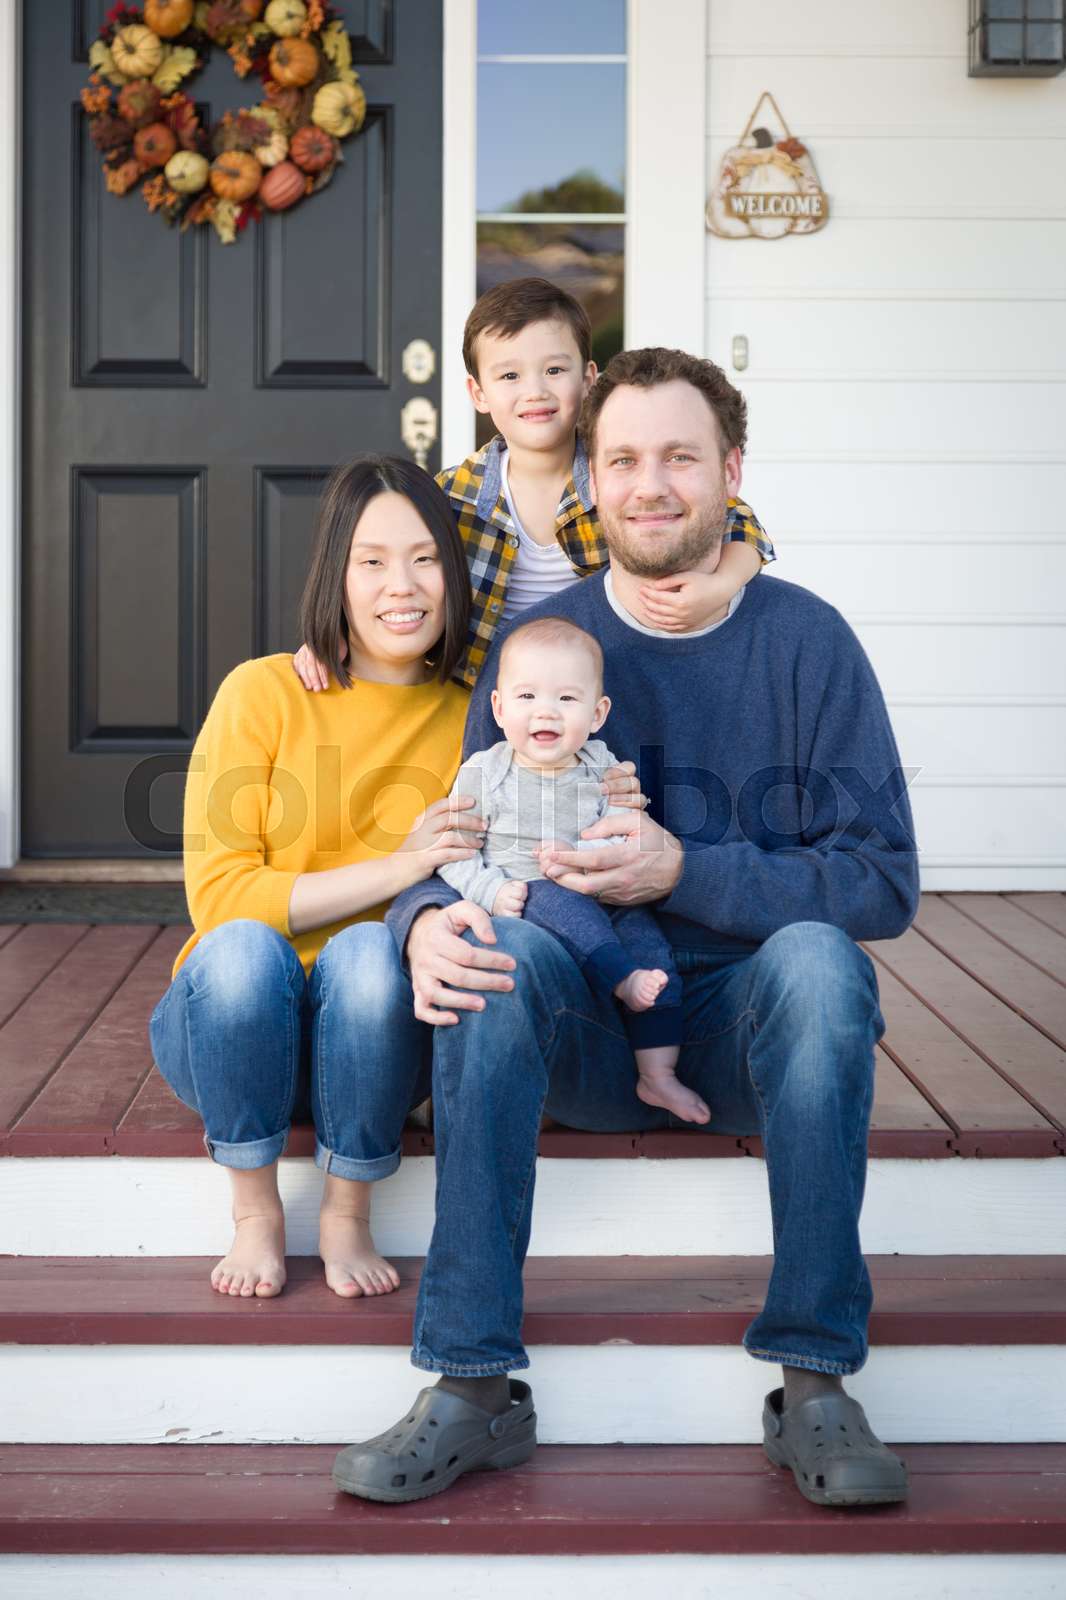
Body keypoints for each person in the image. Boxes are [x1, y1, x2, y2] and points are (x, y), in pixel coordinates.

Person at [331, 350, 920, 1511]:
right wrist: (414, 925)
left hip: (751, 1035)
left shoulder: (809, 641)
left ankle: (813, 1383)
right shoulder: (539, 647)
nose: (650, 484)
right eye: (624, 460)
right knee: (489, 948)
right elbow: (463, 835)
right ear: (591, 485)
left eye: (679, 457)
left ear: (730, 472)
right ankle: (471, 1385)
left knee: (817, 959)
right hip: (584, 1035)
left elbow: (882, 882)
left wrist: (682, 869)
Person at [149, 456, 480, 1302]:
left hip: (375, 1041)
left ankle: (346, 1211)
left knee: (372, 954)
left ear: (454, 569)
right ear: (335, 575)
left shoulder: (474, 720)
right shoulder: (262, 692)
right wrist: (402, 862)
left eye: (423, 557)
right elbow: (220, 898)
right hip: (232, 1033)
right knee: (243, 952)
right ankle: (256, 1212)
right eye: (370, 561)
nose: (400, 586)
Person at [293, 276, 775, 693]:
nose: (535, 391)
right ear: (478, 393)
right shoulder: (452, 494)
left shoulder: (619, 479)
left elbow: (741, 524)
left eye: (554, 370)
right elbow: (388, 567)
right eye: (509, 375)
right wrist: (335, 635)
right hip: (489, 694)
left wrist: (721, 585)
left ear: (589, 378)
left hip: (603, 691)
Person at [437, 614, 708, 1125]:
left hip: (603, 894)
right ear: (497, 707)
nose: (547, 712)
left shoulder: (601, 763)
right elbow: (455, 851)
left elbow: (622, 822)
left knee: (653, 946)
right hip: (530, 898)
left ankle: (658, 1073)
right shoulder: (485, 772)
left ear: (597, 712)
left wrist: (626, 832)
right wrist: (493, 892)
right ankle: (622, 980)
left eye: (566, 699)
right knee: (559, 901)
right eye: (527, 697)